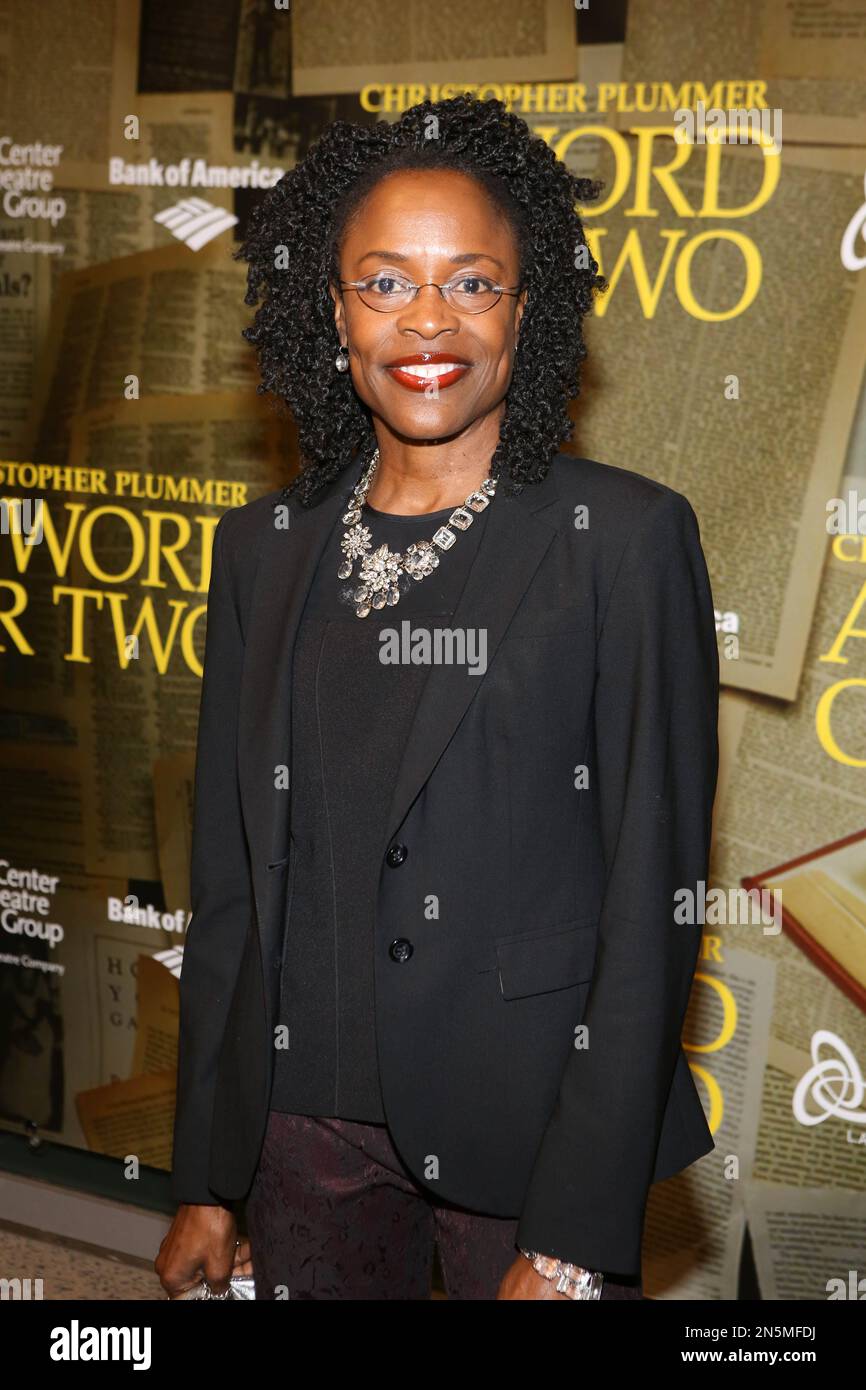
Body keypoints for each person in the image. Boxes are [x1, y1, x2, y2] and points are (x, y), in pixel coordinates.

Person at [156, 94, 720, 1301]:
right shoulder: (263, 545)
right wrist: (208, 1170)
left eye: (471, 283)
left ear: (528, 309)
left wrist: (571, 1235)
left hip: (528, 1135)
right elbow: (227, 884)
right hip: (302, 1131)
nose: (427, 320)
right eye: (384, 281)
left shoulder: (621, 541)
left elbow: (651, 905)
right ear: (333, 306)